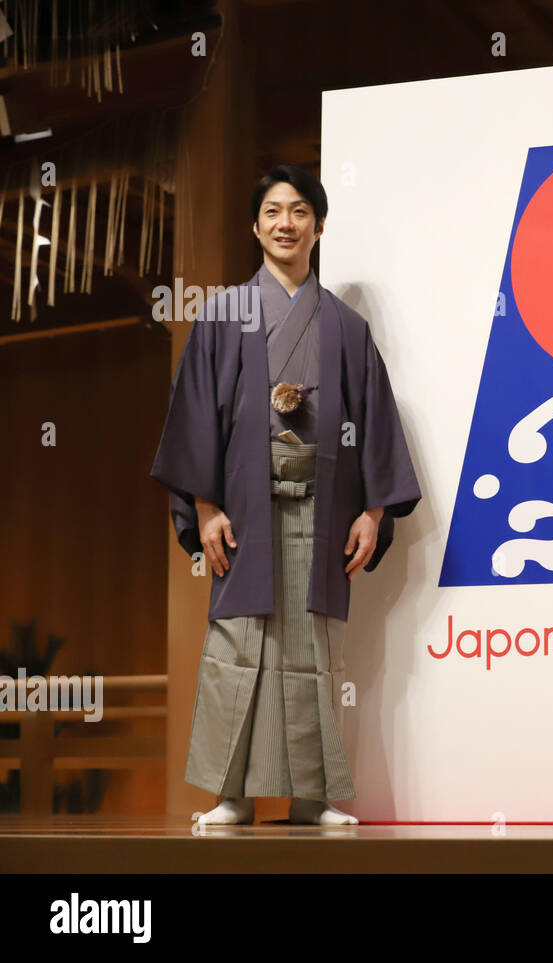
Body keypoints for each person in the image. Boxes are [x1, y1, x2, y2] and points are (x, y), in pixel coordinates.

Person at [150, 165, 421, 826]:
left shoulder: (346, 329)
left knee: (310, 647)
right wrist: (205, 506)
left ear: (319, 226)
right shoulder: (223, 315)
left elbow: (376, 418)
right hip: (242, 502)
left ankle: (311, 795)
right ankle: (231, 793)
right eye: (273, 211)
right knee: (239, 643)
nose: (286, 223)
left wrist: (374, 509)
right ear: (255, 226)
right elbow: (194, 415)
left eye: (300, 211)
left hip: (320, 503)